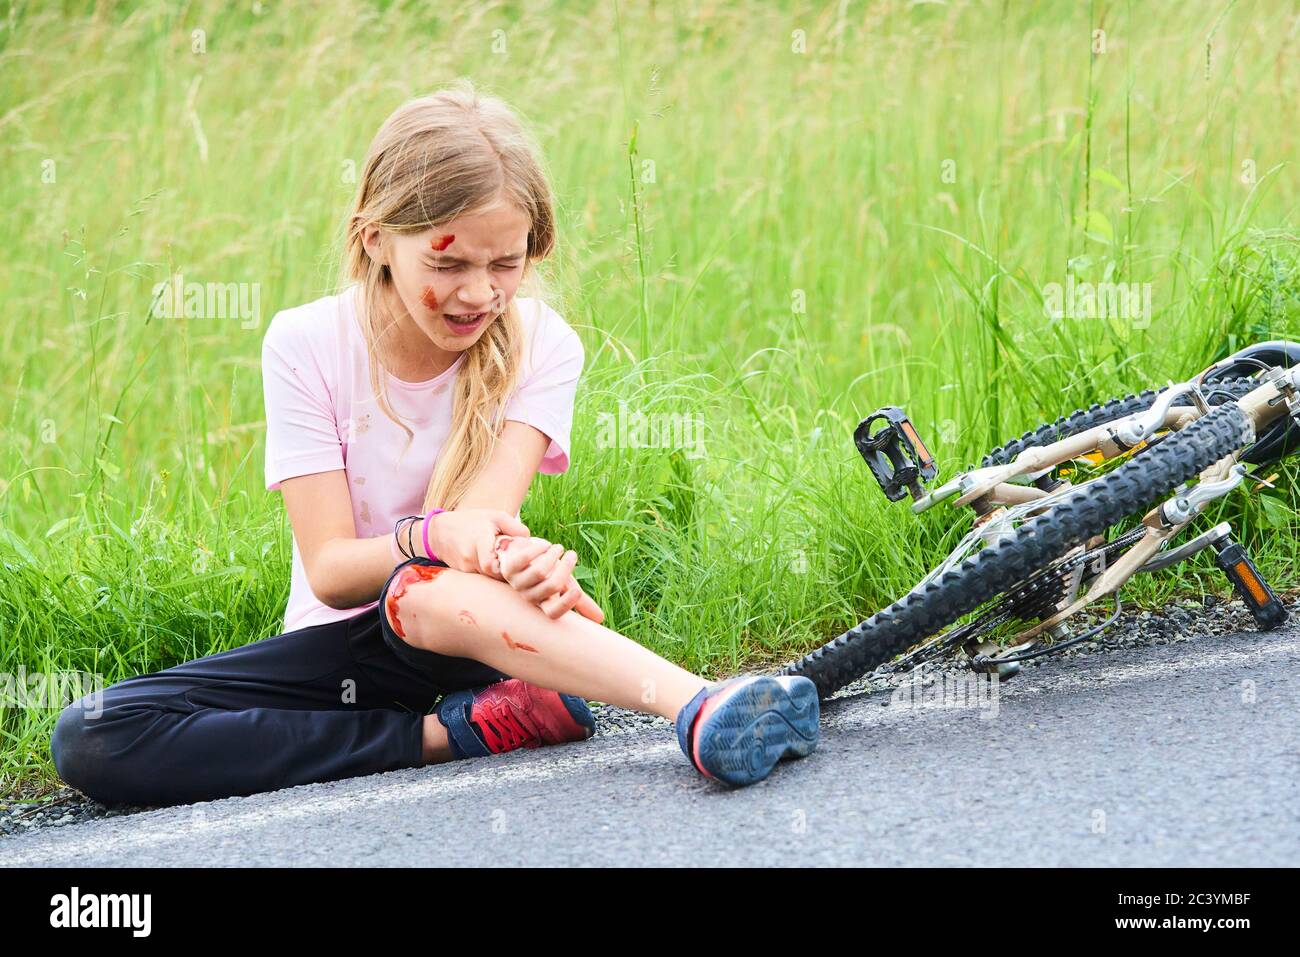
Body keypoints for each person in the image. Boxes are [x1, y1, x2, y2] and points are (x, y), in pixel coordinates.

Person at [49, 81, 818, 808]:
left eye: (505, 264)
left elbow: (477, 536)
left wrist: (522, 561)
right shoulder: (305, 343)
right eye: (447, 263)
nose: (479, 293)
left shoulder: (545, 344)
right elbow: (331, 569)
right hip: (344, 644)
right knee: (93, 734)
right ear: (377, 238)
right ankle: (450, 733)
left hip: (466, 625)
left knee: (425, 588)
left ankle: (699, 706)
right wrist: (430, 534)